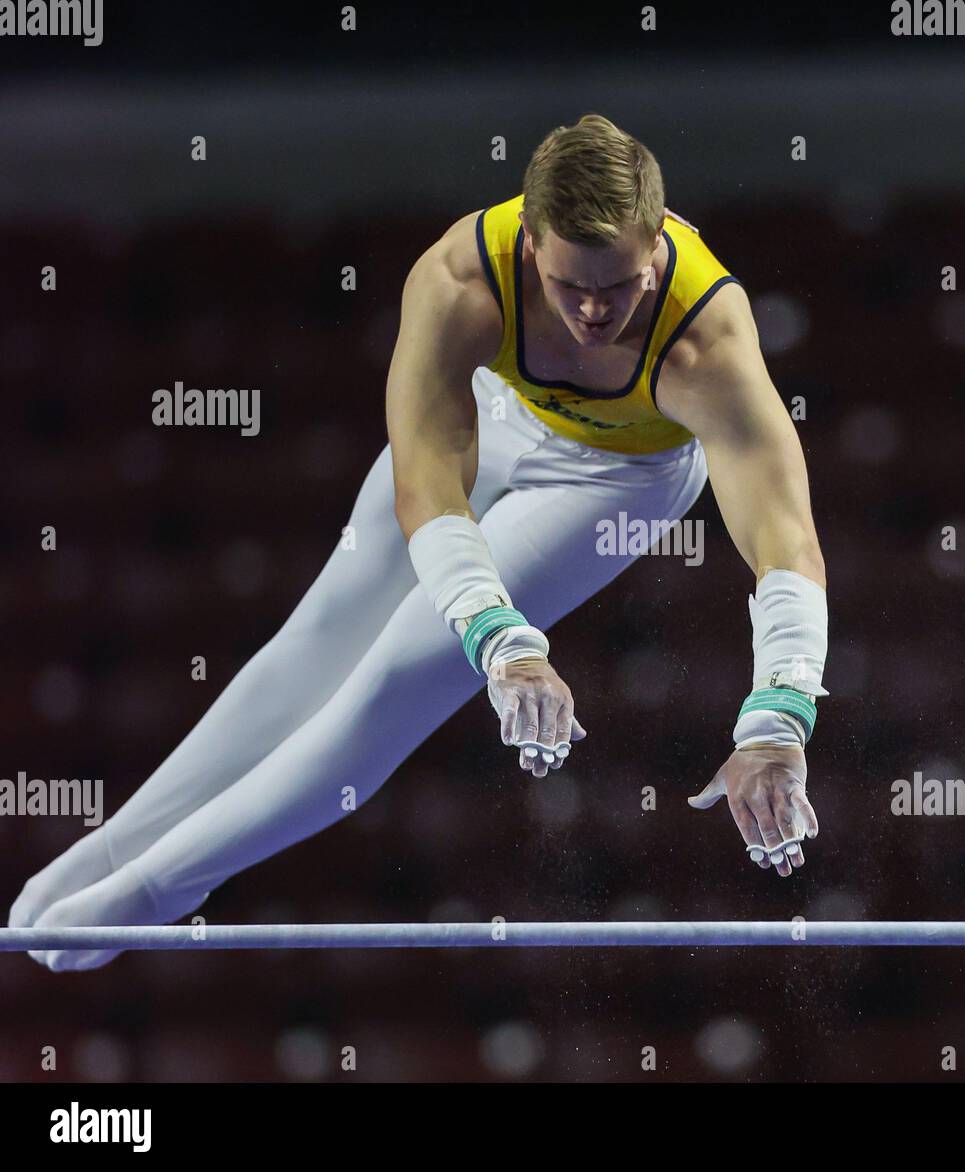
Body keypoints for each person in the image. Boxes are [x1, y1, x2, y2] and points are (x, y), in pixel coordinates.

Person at [9, 113, 829, 972]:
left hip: (620, 481)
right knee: (317, 639)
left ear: (658, 245)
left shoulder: (707, 343)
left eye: (619, 287)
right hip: (491, 418)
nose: (593, 310)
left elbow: (787, 544)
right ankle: (105, 855)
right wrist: (496, 634)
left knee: (396, 674)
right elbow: (426, 489)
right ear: (531, 243)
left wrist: (779, 717)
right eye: (568, 285)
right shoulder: (459, 276)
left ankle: (153, 891)